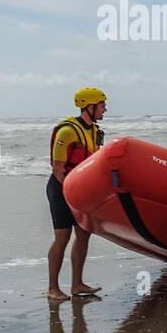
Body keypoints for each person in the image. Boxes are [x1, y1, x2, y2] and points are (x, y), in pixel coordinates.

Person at [47, 87, 106, 301]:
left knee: (83, 234)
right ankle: (53, 288)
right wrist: (71, 192)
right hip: (60, 188)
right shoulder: (67, 131)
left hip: (80, 190)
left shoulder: (95, 131)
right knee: (62, 237)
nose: (105, 109)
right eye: (101, 105)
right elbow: (58, 168)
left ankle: (77, 283)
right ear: (88, 106)